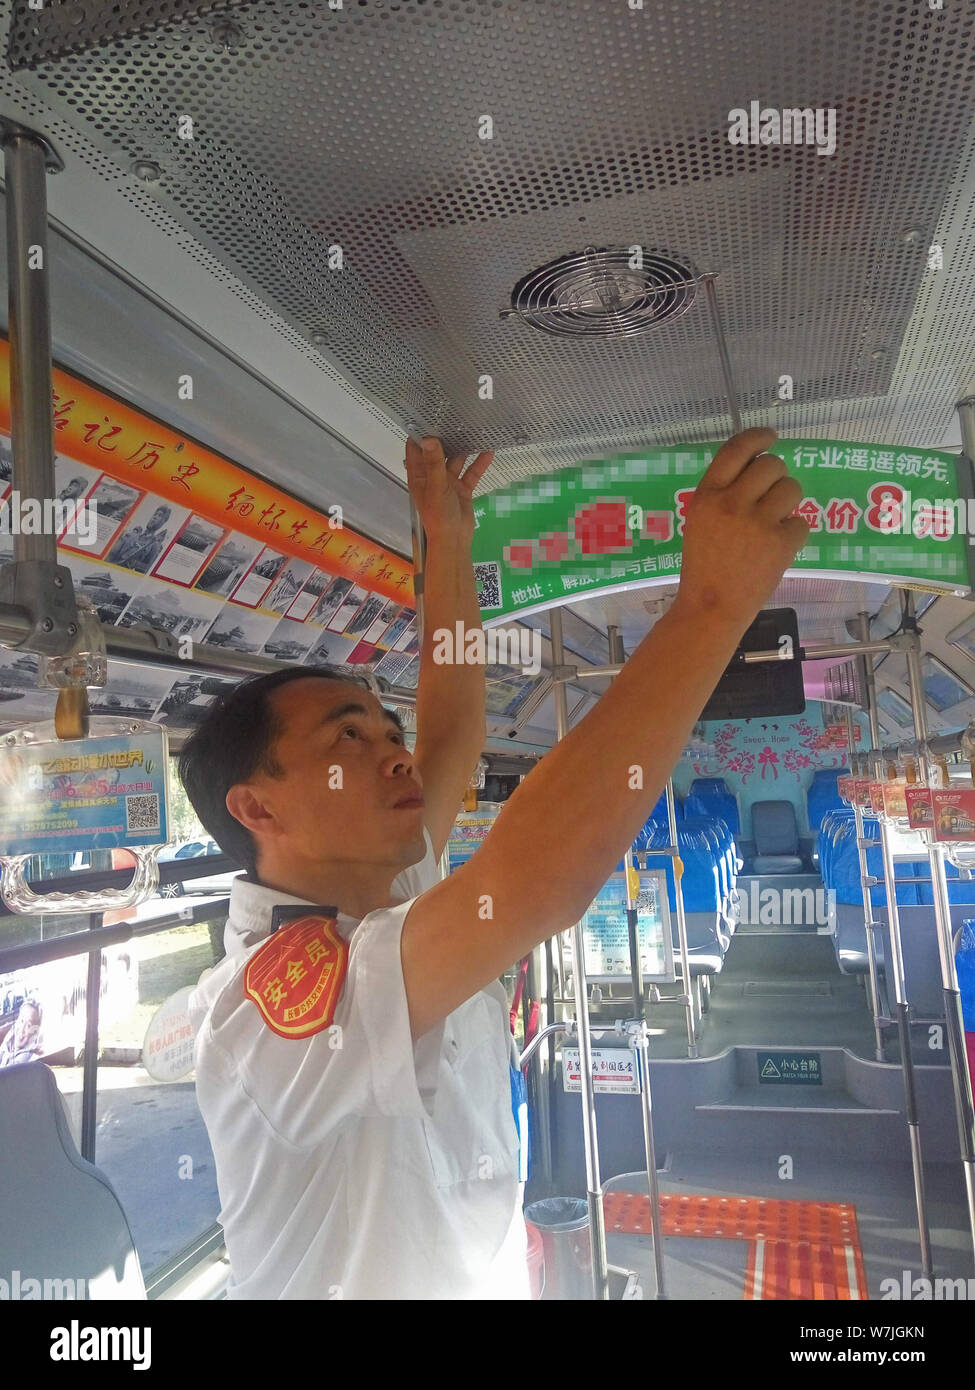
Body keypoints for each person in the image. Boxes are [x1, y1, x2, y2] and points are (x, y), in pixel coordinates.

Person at [183, 428, 808, 1299]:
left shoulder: (386, 889)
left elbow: (449, 728)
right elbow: (531, 886)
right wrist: (709, 606)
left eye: (384, 732)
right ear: (257, 807)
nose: (395, 756)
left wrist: (448, 542)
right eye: (348, 740)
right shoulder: (263, 1006)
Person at [0, 1000, 43, 1068]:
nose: (21, 1029)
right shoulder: (11, 1035)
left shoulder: (26, 1058)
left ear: (35, 1032)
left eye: (28, 1025)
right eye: (22, 1020)